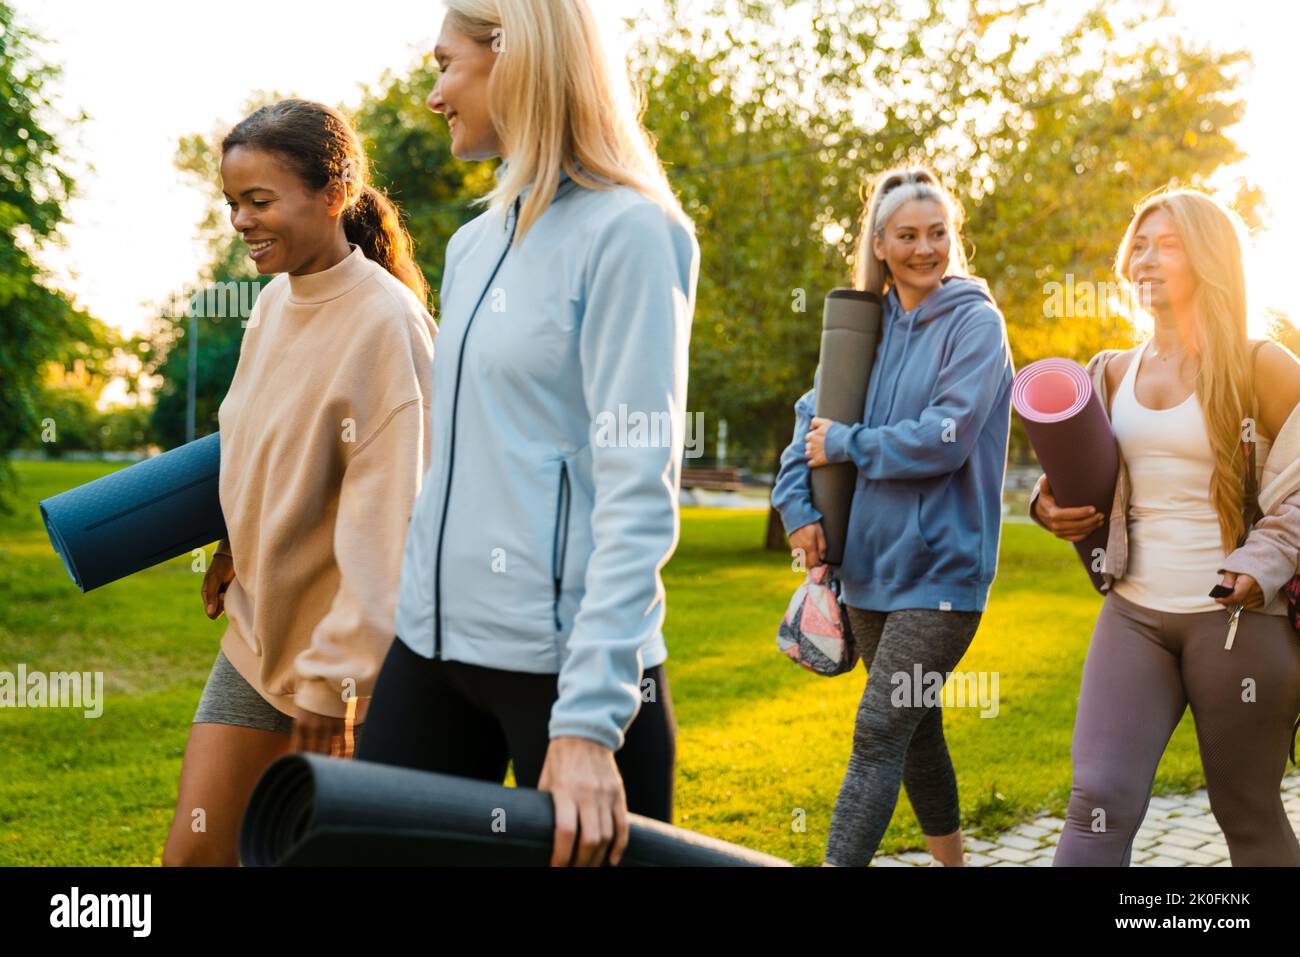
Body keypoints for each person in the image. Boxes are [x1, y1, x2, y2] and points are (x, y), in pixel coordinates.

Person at [354, 0, 700, 868]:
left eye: (445, 64)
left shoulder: (632, 233)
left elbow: (637, 491)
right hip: (432, 650)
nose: (433, 94)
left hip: (568, 675)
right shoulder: (473, 245)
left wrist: (586, 725)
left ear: (517, 58)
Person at [162, 99, 437, 866]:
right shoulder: (272, 305)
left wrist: (340, 679)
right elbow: (255, 443)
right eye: (231, 203)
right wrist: (232, 541)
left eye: (259, 201)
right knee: (194, 855)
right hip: (258, 633)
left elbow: (397, 523)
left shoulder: (388, 324)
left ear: (333, 192)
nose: (241, 221)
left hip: (349, 660)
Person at [1031, 187, 1300, 866]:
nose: (1147, 258)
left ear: (1210, 258)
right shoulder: (1111, 371)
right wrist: (1047, 505)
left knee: (1246, 810)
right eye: (1141, 242)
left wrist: (1260, 562)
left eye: (1169, 243)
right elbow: (1081, 478)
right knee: (1098, 801)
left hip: (1238, 621)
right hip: (1133, 615)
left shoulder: (1262, 366)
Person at [771, 165, 1014, 867]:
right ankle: (954, 863)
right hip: (867, 570)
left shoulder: (975, 322)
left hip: (943, 571)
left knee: (879, 730)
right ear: (879, 243)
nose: (924, 248)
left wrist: (850, 444)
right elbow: (806, 424)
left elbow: (949, 435)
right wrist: (796, 507)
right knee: (917, 728)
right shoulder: (862, 328)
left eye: (938, 232)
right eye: (907, 235)